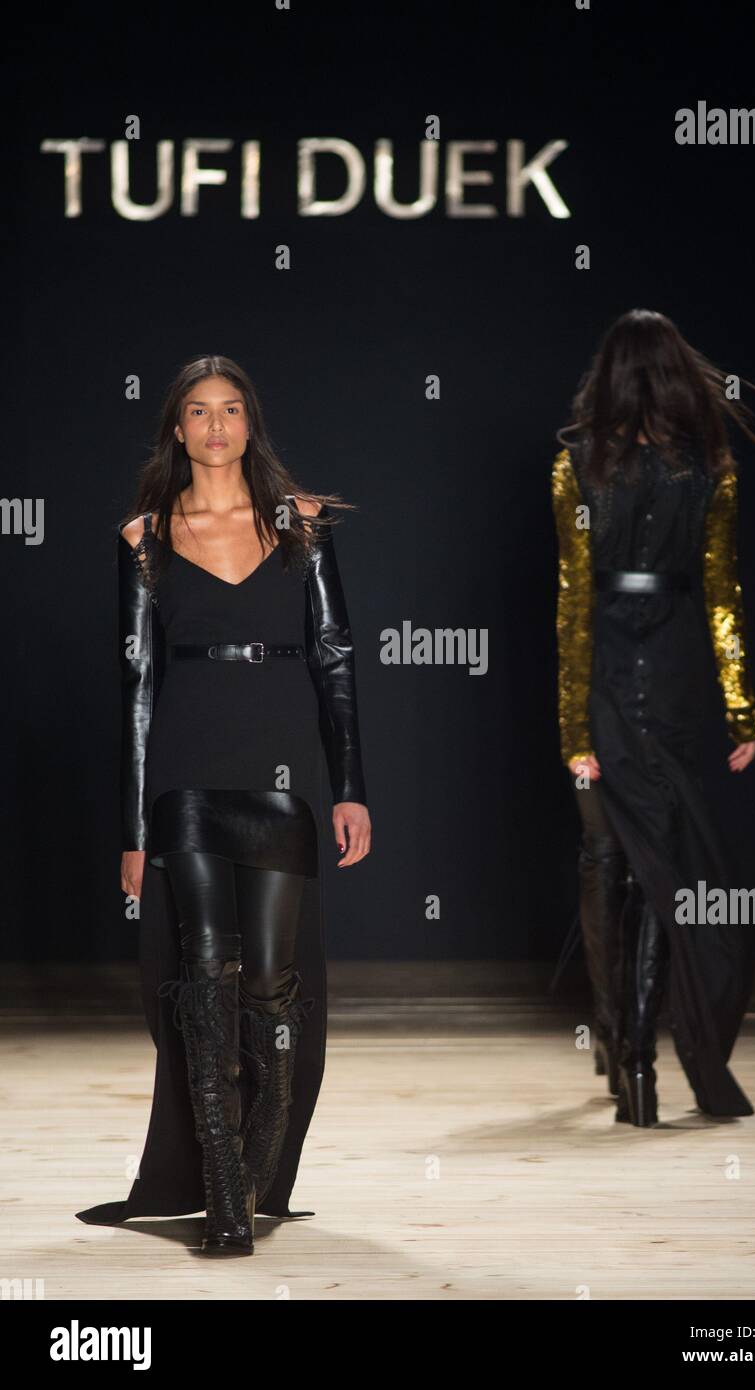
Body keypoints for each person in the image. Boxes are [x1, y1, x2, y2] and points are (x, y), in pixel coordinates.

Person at [76, 355, 371, 1253]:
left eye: (230, 410)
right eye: (198, 412)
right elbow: (135, 684)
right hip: (186, 770)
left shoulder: (303, 527)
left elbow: (336, 662)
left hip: (282, 769)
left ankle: (254, 1176)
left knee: (272, 992)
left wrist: (351, 787)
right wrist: (134, 825)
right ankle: (228, 1205)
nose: (214, 426)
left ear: (251, 424)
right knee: (205, 986)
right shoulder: (144, 538)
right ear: (176, 428)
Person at [551, 309, 755, 1127]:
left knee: (644, 870)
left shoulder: (576, 467)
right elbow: (722, 600)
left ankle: (632, 1058)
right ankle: (637, 1060)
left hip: (610, 679)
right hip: (675, 682)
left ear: (607, 376)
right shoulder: (709, 469)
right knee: (667, 876)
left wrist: (574, 730)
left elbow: (572, 603)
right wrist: (741, 710)